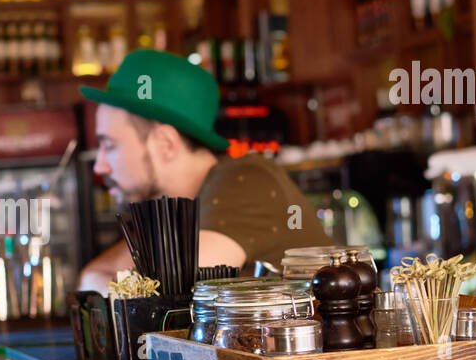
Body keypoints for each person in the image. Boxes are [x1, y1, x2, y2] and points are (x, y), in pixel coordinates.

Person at [77, 49, 329, 294]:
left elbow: (165, 297)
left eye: (109, 145)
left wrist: (107, 288)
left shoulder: (247, 180)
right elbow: (93, 278)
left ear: (165, 144)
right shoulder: (178, 214)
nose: (100, 166)